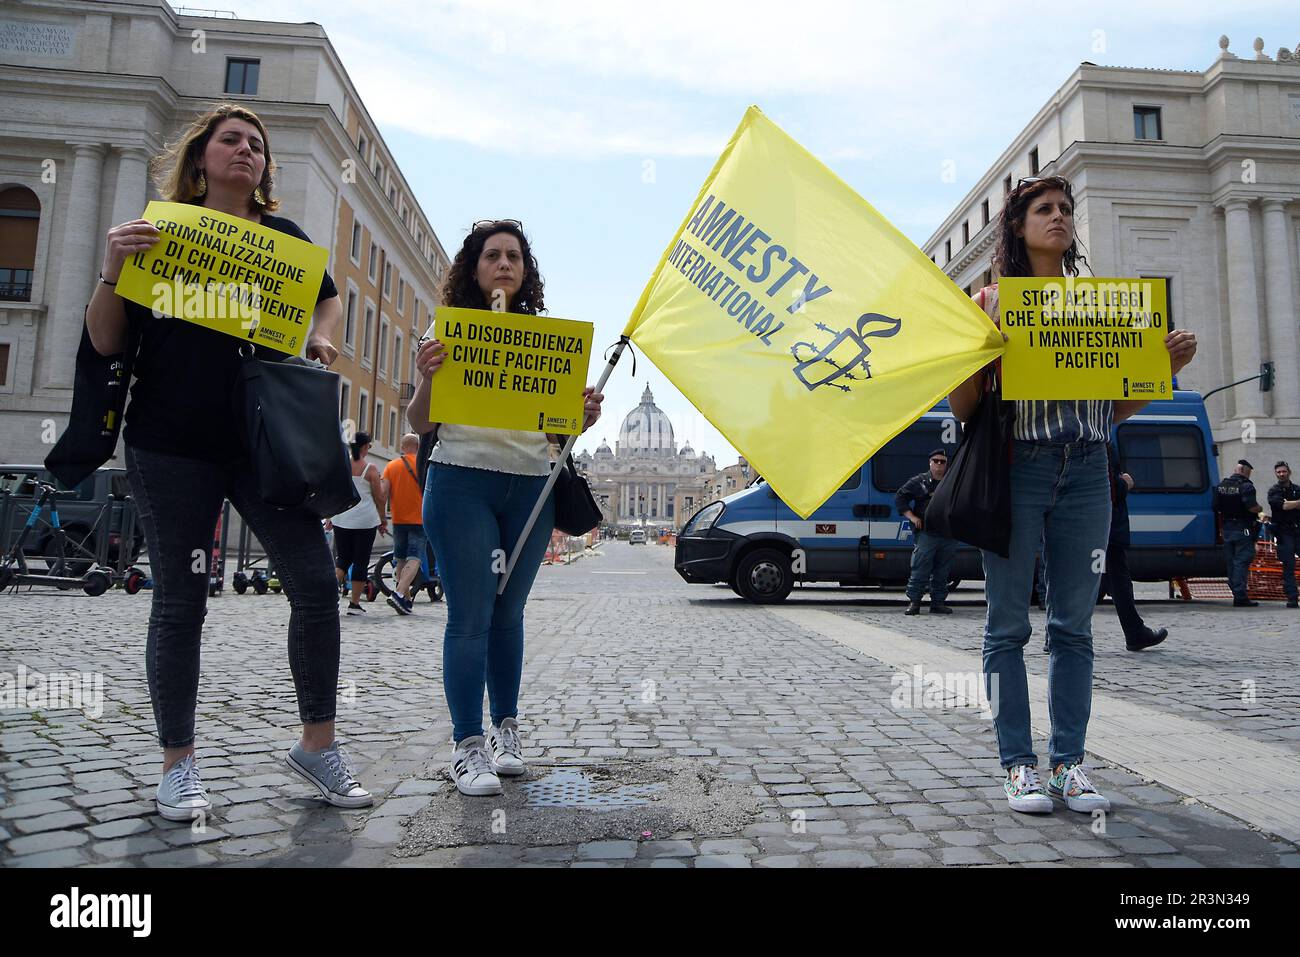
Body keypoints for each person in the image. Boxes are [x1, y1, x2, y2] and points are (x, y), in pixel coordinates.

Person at [85, 103, 371, 819]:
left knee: (313, 582)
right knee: (181, 600)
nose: (246, 150)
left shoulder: (283, 237)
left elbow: (327, 300)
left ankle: (317, 744)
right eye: (231, 139)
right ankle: (178, 764)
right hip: (169, 439)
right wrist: (111, 268)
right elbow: (106, 339)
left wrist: (321, 337)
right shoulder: (160, 230)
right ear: (201, 155)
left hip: (262, 444)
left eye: (257, 145)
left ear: (265, 168)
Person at [946, 175, 1197, 817]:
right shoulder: (992, 302)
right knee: (1006, 625)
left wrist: (1163, 370)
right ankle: (1017, 766)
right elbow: (968, 408)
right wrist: (966, 357)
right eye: (1043, 209)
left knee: (1074, 627)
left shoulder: (1100, 305)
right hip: (1017, 468)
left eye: (1064, 209)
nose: (1058, 217)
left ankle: (1069, 765)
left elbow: (1113, 409)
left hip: (1089, 469)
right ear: (1019, 227)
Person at [406, 219, 604, 796]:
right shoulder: (443, 335)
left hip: (530, 486)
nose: (504, 264)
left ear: (526, 271)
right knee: (469, 616)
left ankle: (506, 730)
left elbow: (557, 435)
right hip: (462, 478)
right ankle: (467, 744)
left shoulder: (546, 343)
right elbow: (421, 426)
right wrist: (425, 379)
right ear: (474, 268)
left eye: (514, 256)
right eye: (492, 255)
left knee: (507, 616)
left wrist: (581, 417)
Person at [1099, 442, 1167, 650]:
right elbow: (1104, 485)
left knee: (1105, 582)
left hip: (1101, 527)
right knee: (1116, 582)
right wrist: (1124, 483)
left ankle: (1135, 631)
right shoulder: (1099, 439)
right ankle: (1135, 632)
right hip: (1106, 527)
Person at [331, 432, 388, 615]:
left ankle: (328, 599)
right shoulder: (370, 469)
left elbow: (334, 491)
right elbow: (379, 498)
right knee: (360, 561)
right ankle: (354, 604)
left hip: (342, 518)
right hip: (365, 520)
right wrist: (382, 519)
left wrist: (331, 516)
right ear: (365, 447)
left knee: (342, 560)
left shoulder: (342, 466)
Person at [896, 448, 958, 615]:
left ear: (947, 464)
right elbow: (900, 498)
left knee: (942, 571)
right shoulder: (919, 482)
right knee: (920, 568)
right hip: (926, 533)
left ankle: (938, 603)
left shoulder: (953, 481)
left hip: (948, 533)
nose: (939, 464)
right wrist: (912, 517)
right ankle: (914, 602)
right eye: (935, 461)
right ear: (930, 462)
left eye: (942, 461)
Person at [381, 432, 426, 615]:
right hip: (420, 518)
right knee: (415, 557)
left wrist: (382, 516)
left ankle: (406, 601)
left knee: (400, 558)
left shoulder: (391, 466)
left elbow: (383, 493)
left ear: (402, 446)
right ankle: (400, 593)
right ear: (418, 446)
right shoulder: (424, 466)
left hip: (398, 519)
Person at [1214, 460, 1262, 607]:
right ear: (1243, 470)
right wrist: (1260, 509)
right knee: (1242, 560)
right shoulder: (1246, 486)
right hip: (1243, 528)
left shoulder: (1222, 486)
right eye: (1248, 471)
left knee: (1231, 562)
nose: (1249, 475)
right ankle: (1240, 595)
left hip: (1227, 527)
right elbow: (1251, 507)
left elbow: (1215, 506)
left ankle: (1235, 590)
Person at [1266, 460, 1300, 609]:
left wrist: (1292, 503)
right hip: (1283, 532)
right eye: (1278, 472)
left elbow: (1288, 505)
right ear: (1275, 474)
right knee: (1289, 566)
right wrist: (1295, 504)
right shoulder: (1274, 491)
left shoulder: (1297, 489)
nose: (1281, 474)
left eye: (1284, 471)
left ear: (1289, 472)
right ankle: (1292, 598)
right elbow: (1283, 506)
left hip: (1298, 530)